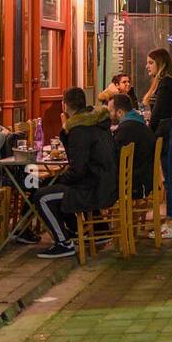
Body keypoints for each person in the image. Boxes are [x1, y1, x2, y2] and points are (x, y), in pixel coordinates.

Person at [33, 88, 117, 259]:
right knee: (55, 187)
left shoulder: (79, 129)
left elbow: (78, 170)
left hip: (93, 189)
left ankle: (63, 242)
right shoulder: (97, 122)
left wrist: (57, 179)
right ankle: (92, 230)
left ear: (65, 105)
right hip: (106, 184)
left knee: (41, 195)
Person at [143, 47, 172, 240]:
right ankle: (170, 222)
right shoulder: (163, 82)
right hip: (169, 132)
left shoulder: (167, 83)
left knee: (170, 181)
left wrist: (148, 133)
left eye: (151, 62)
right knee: (169, 180)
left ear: (160, 63)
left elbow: (159, 113)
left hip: (171, 133)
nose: (147, 66)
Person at [107, 92, 156, 201]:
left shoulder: (126, 129)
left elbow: (114, 158)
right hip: (145, 179)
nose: (109, 115)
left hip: (134, 184)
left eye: (110, 111)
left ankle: (95, 216)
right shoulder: (140, 123)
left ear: (119, 112)